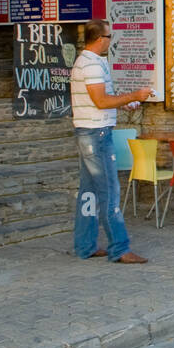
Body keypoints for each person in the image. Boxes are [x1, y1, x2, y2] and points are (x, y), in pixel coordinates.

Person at [70, 20, 152, 263]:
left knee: (89, 192)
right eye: (109, 36)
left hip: (91, 131)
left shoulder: (90, 62)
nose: (111, 40)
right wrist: (135, 95)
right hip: (97, 134)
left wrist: (126, 102)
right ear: (100, 39)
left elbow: (104, 99)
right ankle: (120, 248)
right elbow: (101, 102)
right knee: (110, 191)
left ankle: (85, 246)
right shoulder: (91, 65)